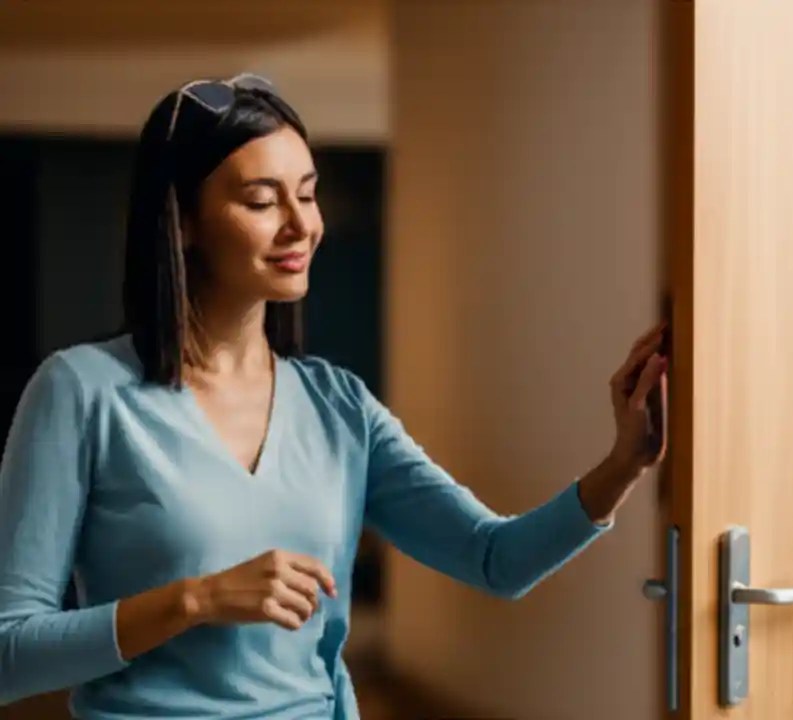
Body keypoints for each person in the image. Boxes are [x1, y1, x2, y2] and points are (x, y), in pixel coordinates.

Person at [0, 74, 669, 718]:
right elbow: (11, 655)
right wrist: (196, 599)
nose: (301, 225)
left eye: (308, 194)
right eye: (262, 201)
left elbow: (495, 559)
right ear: (182, 221)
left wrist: (624, 463)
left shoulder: (339, 407)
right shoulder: (81, 392)